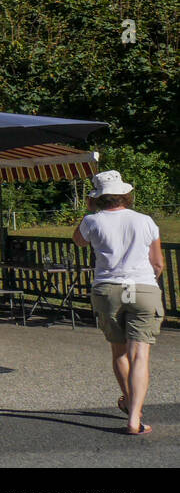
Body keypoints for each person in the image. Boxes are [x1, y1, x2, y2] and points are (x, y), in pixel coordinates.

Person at [72, 170, 165, 436]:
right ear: (125, 194)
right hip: (143, 288)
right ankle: (134, 417)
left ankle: (128, 399)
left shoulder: (91, 221)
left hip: (108, 289)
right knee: (140, 355)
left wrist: (88, 211)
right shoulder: (145, 221)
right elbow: (157, 262)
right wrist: (147, 281)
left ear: (97, 198)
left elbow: (78, 241)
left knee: (119, 352)